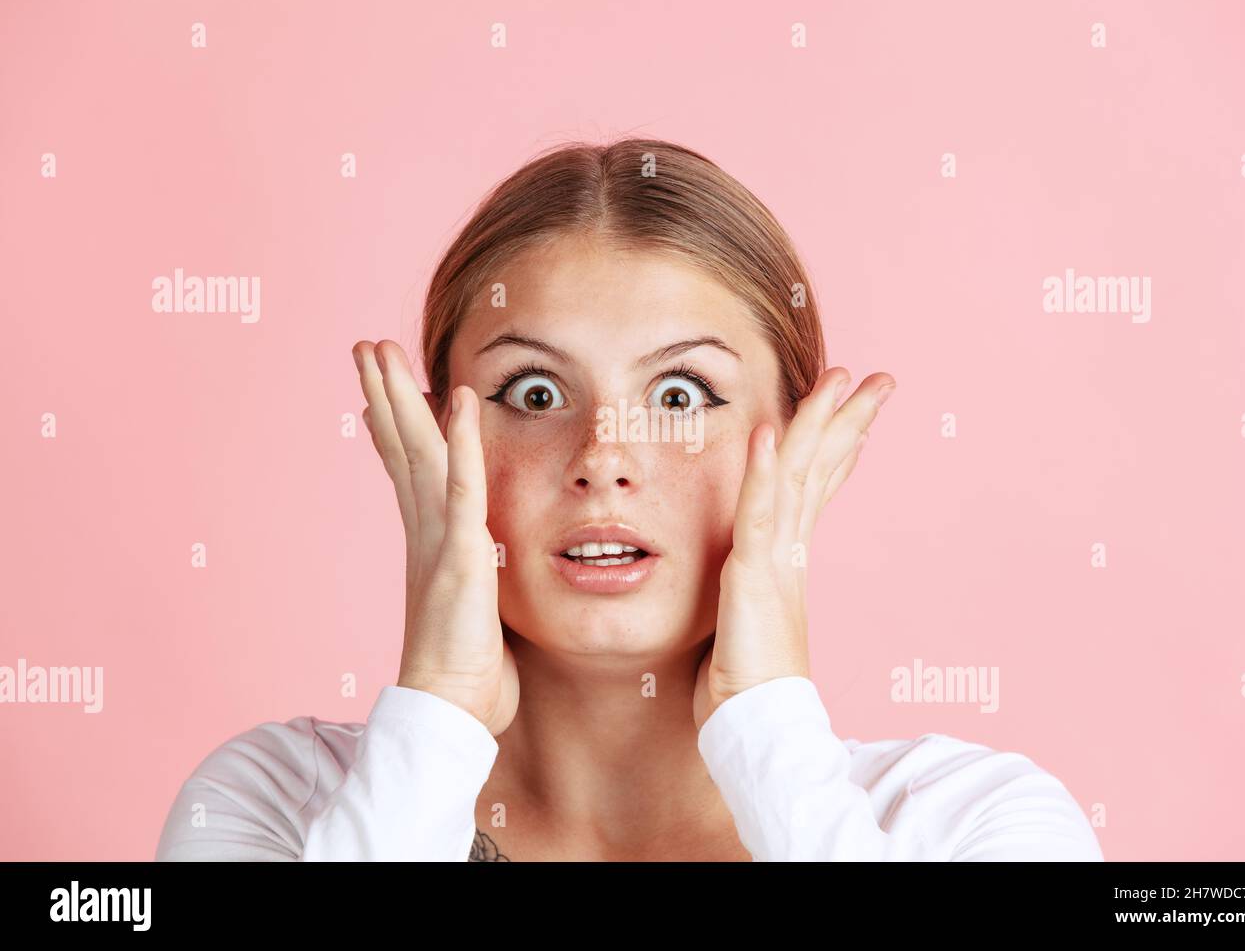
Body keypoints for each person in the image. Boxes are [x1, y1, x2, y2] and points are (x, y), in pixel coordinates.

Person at [155, 139, 1103, 862]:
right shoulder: (274, 803)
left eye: (682, 396)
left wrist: (768, 721)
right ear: (440, 443)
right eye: (535, 393)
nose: (604, 458)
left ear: (800, 441)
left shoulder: (966, 822)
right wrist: (437, 714)